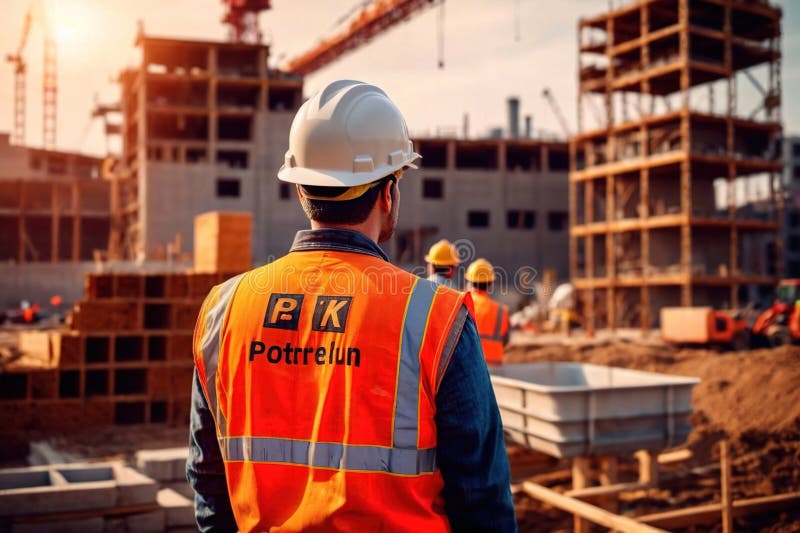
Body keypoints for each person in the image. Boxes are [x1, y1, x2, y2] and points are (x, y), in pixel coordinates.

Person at [186, 80, 516, 532]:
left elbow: (208, 480)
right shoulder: (435, 318)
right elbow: (482, 497)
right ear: (387, 193)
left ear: (301, 190)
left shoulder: (223, 311)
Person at [465, 258, 510, 366]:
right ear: (490, 285)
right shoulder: (501, 311)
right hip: (495, 365)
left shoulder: (463, 305)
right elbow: (505, 340)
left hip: (470, 365)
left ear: (469, 283)